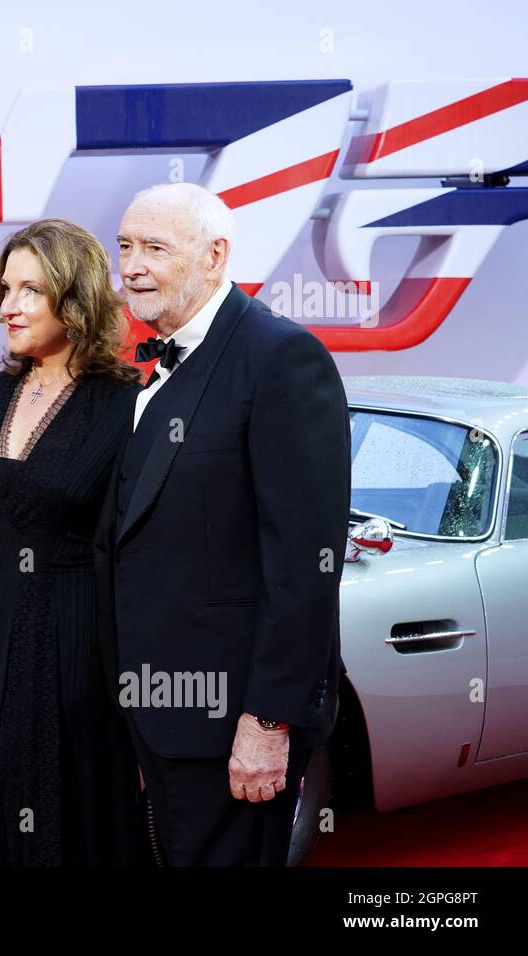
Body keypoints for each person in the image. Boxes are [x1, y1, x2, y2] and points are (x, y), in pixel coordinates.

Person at [93, 182, 351, 866]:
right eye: (124, 247)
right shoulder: (152, 366)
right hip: (151, 713)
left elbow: (304, 566)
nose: (133, 266)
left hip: (231, 721)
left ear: (215, 257)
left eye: (155, 248)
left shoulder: (280, 360)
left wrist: (268, 721)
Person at [0, 218, 145, 866]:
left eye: (31, 289)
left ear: (74, 297)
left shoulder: (126, 403)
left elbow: (141, 544)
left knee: (65, 806)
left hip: (74, 636)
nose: (10, 307)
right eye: (6, 288)